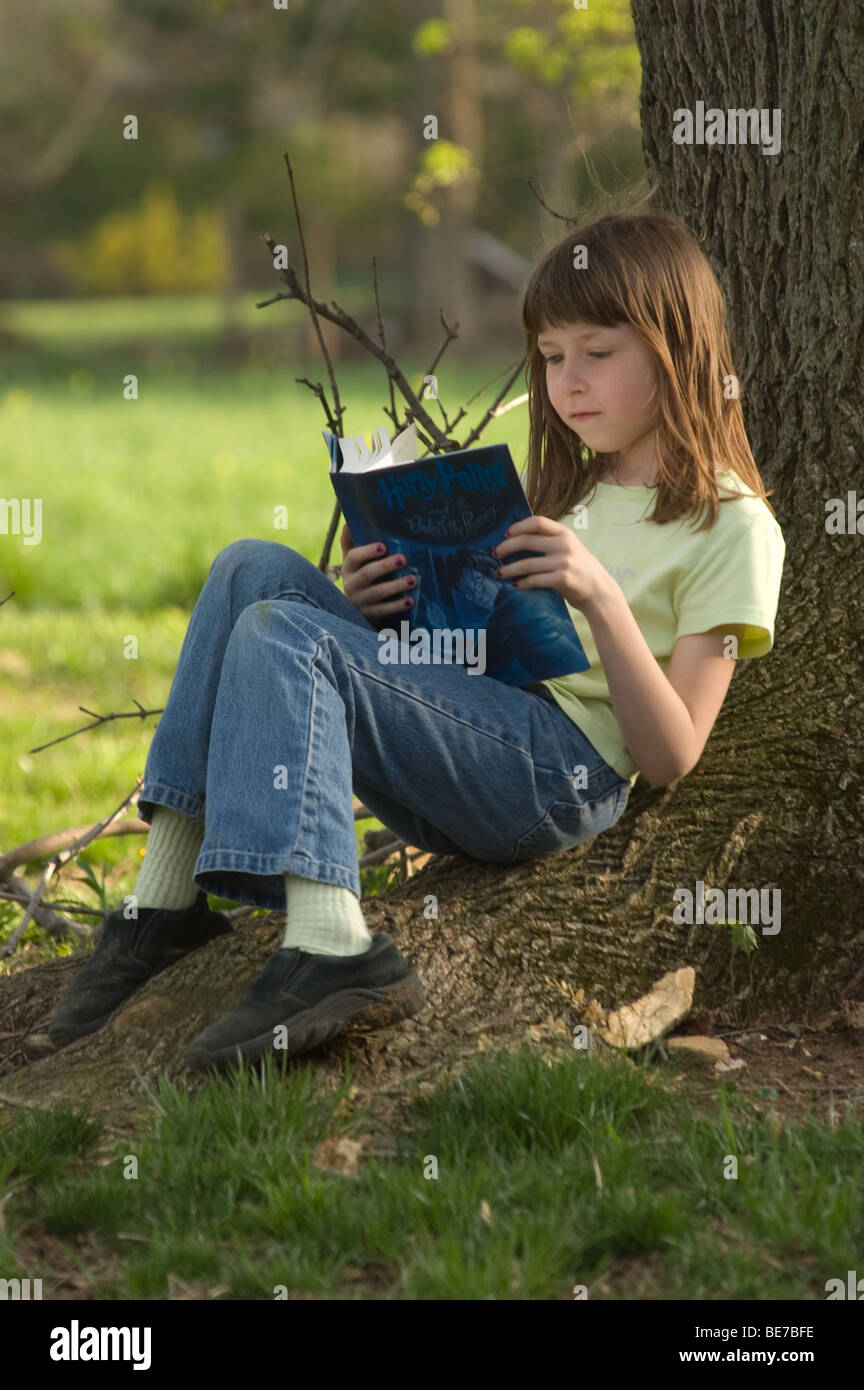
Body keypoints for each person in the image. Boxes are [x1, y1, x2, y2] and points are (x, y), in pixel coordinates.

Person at [48, 209, 785, 1070]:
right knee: (251, 570)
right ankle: (166, 906)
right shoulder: (576, 492)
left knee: (290, 634)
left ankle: (332, 946)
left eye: (597, 351)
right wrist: (374, 613)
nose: (568, 381)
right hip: (485, 729)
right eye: (550, 357)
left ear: (676, 349)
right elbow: (480, 654)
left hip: (559, 773)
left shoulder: (732, 525)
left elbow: (671, 754)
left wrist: (603, 598)